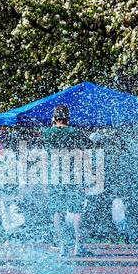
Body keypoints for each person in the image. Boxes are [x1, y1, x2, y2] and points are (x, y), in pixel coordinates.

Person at [40, 104, 86, 255]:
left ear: (54, 118)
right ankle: (78, 246)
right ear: (68, 117)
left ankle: (62, 246)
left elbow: (46, 156)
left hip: (55, 176)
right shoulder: (75, 132)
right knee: (77, 210)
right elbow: (85, 151)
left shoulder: (47, 133)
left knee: (57, 211)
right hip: (74, 175)